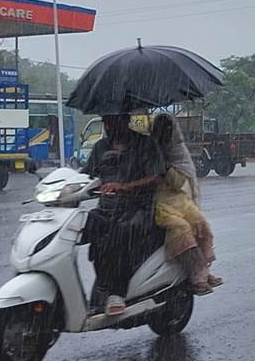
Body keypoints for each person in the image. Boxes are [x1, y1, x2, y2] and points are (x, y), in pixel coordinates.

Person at [82, 113, 166, 316]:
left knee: (118, 233)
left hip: (139, 208)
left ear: (126, 120)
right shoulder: (100, 147)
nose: (109, 125)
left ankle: (117, 292)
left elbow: (157, 177)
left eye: (114, 120)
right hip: (106, 208)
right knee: (85, 227)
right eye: (106, 121)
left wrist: (124, 187)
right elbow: (86, 175)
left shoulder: (144, 145)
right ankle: (102, 284)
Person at [149, 113, 222, 295]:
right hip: (159, 202)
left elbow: (181, 181)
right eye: (161, 130)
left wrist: (166, 168)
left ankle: (205, 271)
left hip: (179, 199)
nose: (165, 134)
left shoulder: (177, 151)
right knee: (181, 229)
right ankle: (197, 277)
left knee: (201, 223)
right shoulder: (148, 151)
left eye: (167, 130)